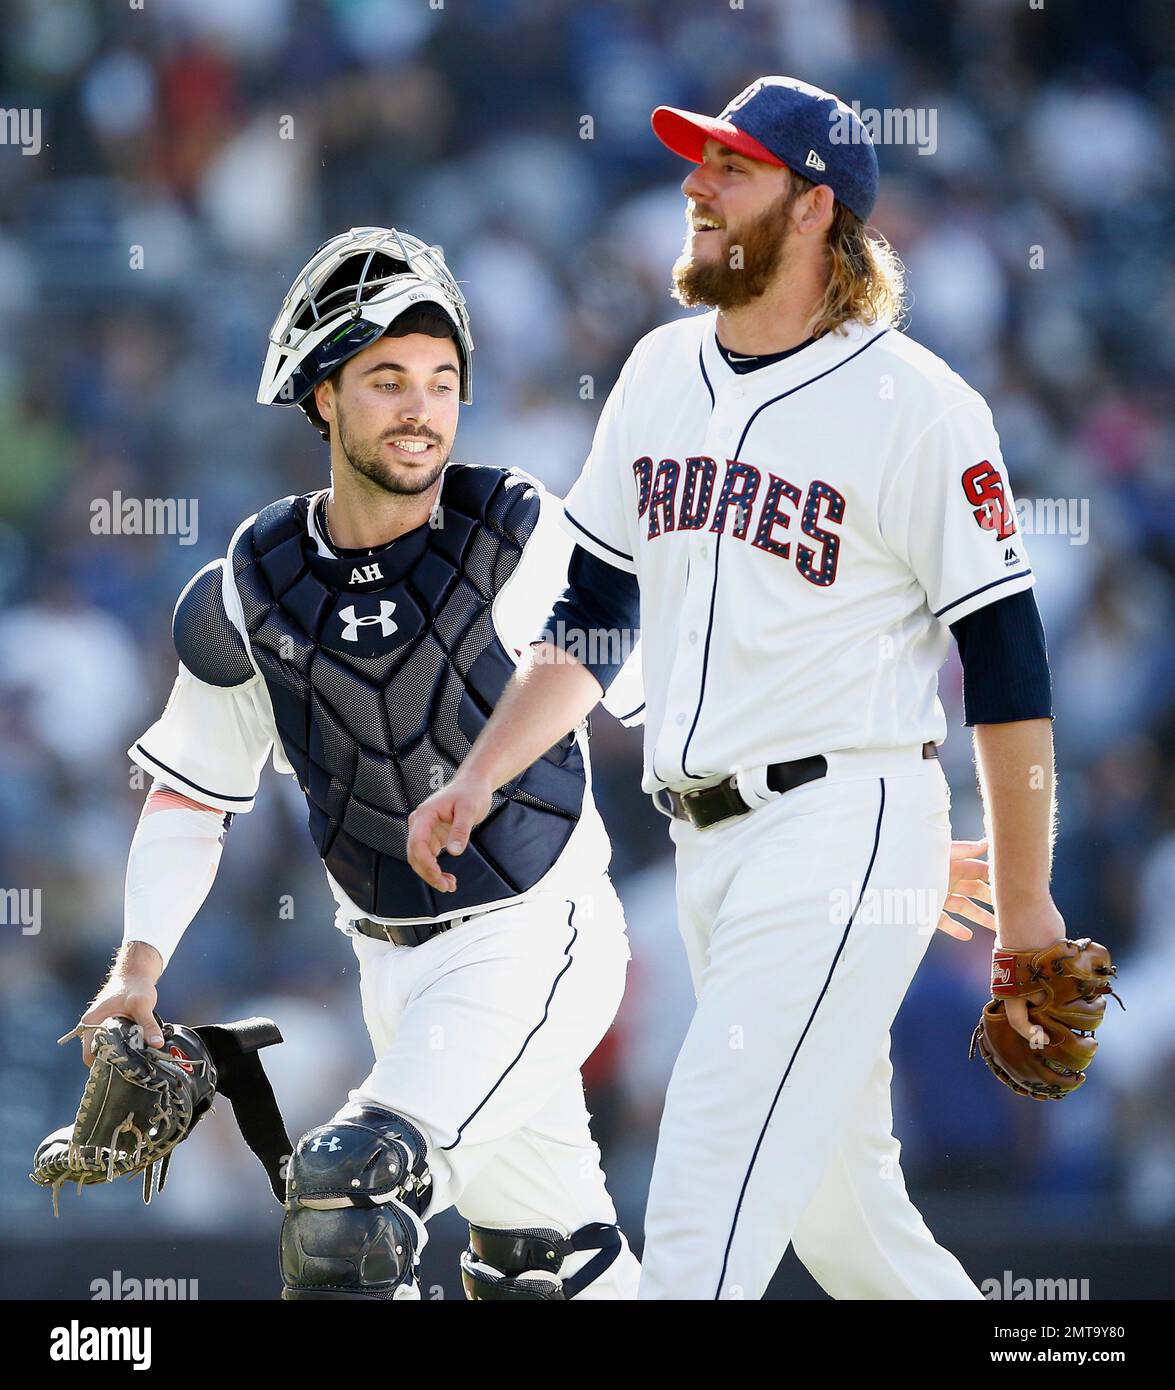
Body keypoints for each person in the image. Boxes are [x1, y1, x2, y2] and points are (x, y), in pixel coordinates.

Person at [407, 78, 1055, 1301]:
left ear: (814, 209)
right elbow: (594, 618)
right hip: (710, 851)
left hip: (842, 826)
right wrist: (481, 775)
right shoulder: (656, 372)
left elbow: (1010, 666)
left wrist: (1022, 906)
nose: (696, 187)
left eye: (733, 168)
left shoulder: (918, 408)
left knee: (701, 1204)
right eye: (698, 162)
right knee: (848, 1227)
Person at [74, 227, 648, 1300]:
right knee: (545, 1268)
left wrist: (856, 821)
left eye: (441, 381)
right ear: (321, 397)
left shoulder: (513, 528)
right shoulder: (255, 578)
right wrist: (139, 965)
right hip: (389, 963)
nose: (420, 405)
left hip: (537, 931)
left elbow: (652, 671)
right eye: (386, 379)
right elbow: (192, 796)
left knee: (345, 1202)